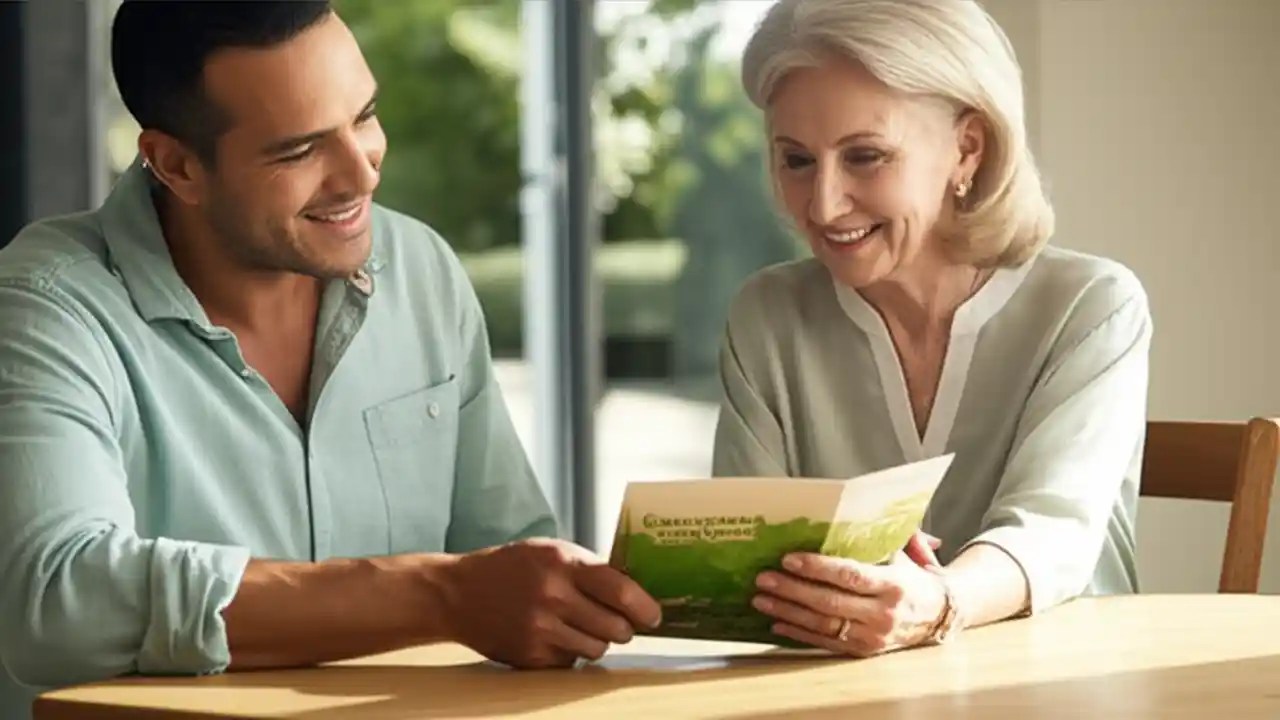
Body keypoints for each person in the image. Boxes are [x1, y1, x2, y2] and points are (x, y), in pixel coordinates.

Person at [0, 3, 658, 717]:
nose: (360, 175)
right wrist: (439, 595)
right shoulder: (45, 306)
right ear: (177, 165)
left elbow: (511, 567)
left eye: (364, 117)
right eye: (299, 151)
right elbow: (55, 602)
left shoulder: (422, 270)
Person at [715, 0, 1151, 656]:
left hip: (1057, 690)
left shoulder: (1092, 307)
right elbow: (744, 563)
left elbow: (1054, 531)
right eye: (797, 160)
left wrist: (937, 603)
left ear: (966, 149)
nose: (823, 204)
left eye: (865, 156)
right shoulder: (768, 317)